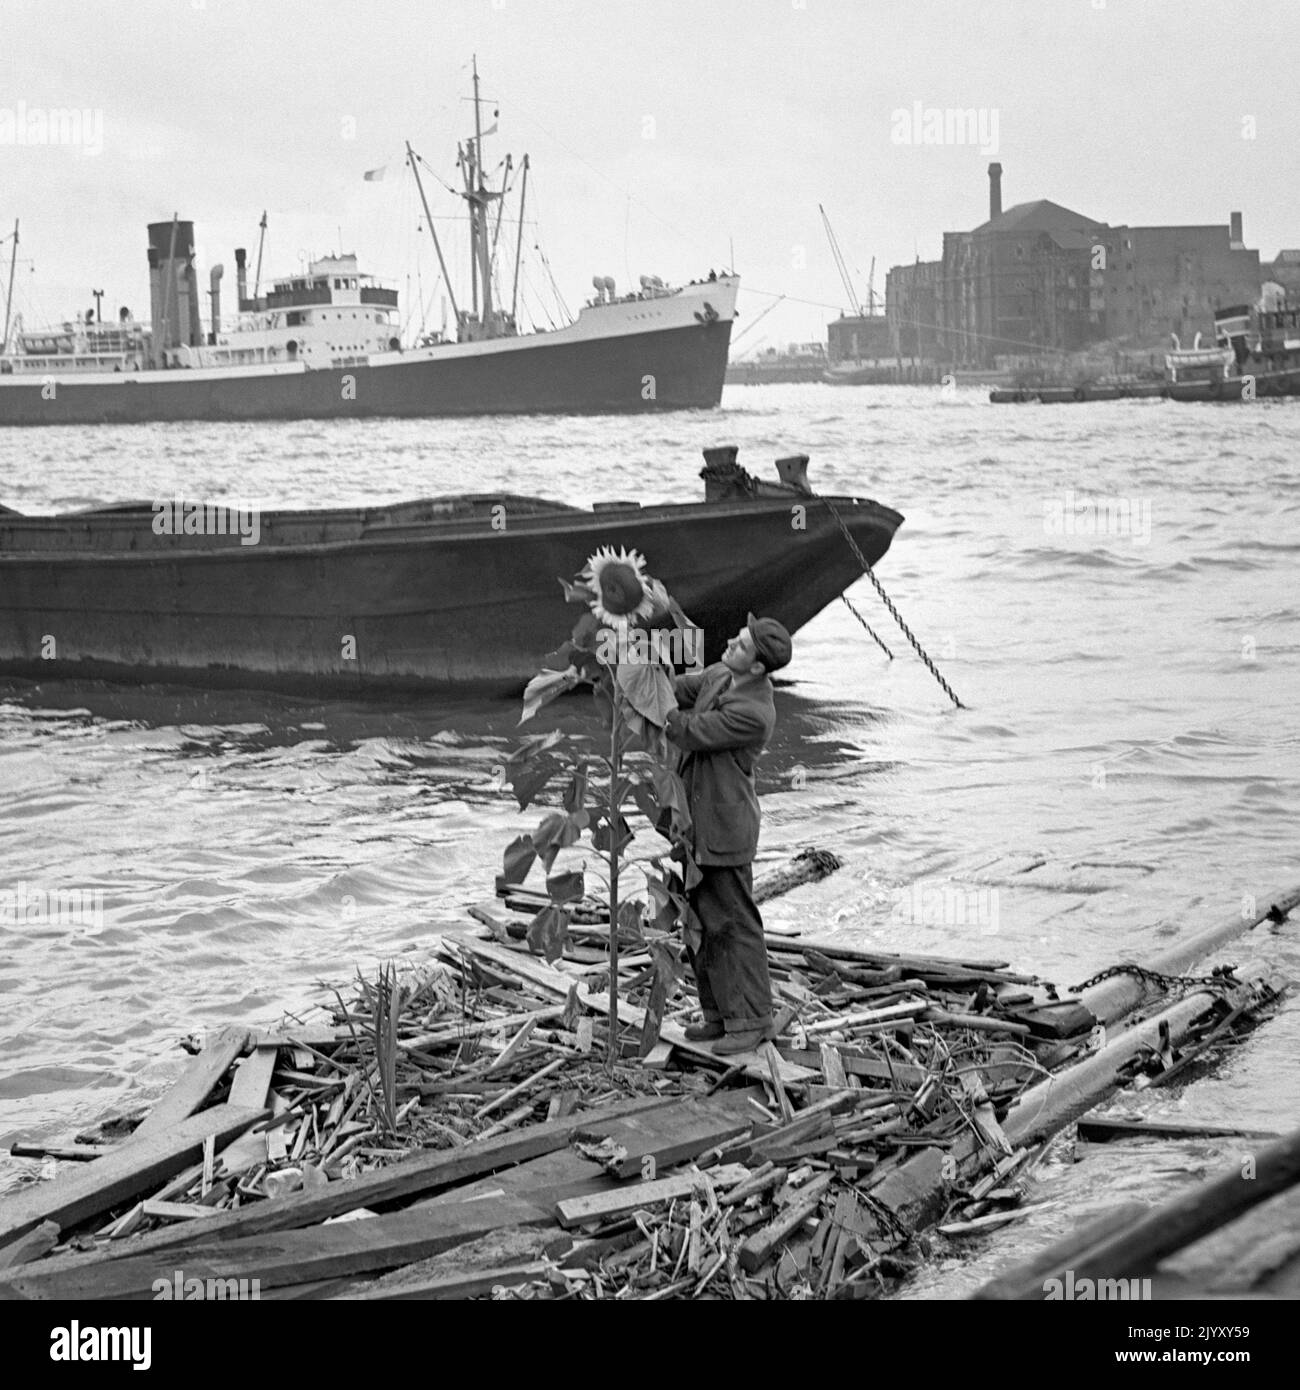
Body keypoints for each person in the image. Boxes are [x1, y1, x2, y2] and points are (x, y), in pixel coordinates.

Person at [665, 613, 792, 1054]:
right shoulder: (721, 673)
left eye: (740, 646)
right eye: (735, 637)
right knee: (702, 922)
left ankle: (754, 1019)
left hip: (725, 828)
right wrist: (639, 669)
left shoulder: (754, 712)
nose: (729, 646)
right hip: (696, 823)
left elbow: (690, 730)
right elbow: (681, 689)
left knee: (734, 923)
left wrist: (649, 705)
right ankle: (719, 1015)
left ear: (758, 667)